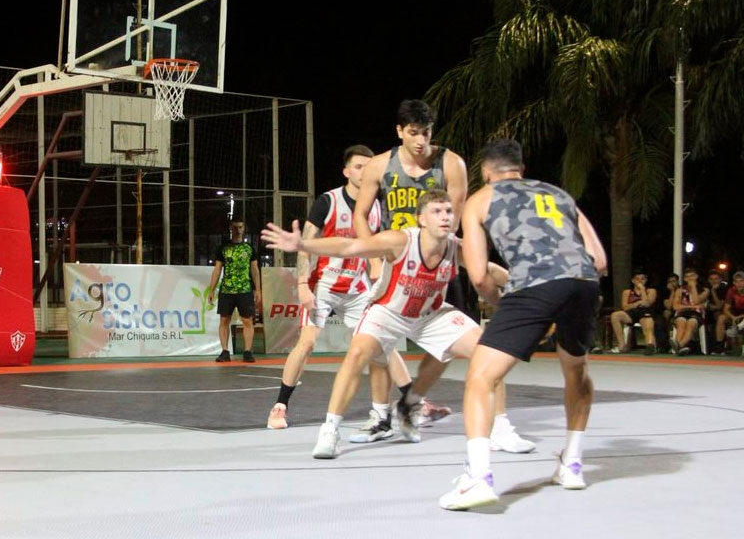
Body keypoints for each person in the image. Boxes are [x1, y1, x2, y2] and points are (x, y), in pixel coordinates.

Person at [263, 190, 529, 459]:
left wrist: (526, 291)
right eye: (437, 211)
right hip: (388, 312)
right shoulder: (400, 241)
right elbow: (349, 247)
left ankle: (501, 428)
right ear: (421, 219)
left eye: (449, 211)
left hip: (430, 313)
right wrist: (303, 246)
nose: (445, 217)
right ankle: (330, 429)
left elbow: (490, 271)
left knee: (490, 350)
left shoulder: (456, 247)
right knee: (356, 354)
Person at [439, 138, 607, 510]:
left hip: (533, 285)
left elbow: (480, 275)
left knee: (481, 377)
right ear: (521, 168)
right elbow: (599, 260)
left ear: (485, 171)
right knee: (576, 372)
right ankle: (572, 464)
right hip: (582, 283)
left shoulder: (481, 200)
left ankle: (478, 478)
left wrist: (504, 304)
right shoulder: (559, 195)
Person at [351, 99, 461, 438]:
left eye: (426, 133)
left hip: (436, 265)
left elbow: (456, 218)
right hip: (394, 264)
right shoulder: (381, 165)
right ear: (399, 131)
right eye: (413, 133)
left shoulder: (451, 163)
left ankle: (413, 400)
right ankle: (381, 416)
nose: (421, 140)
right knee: (377, 343)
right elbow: (360, 214)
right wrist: (372, 258)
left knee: (454, 342)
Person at [266, 145, 384, 430]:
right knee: (306, 344)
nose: (363, 171)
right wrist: (303, 285)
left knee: (378, 345)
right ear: (346, 171)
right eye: (358, 166)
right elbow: (305, 246)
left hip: (358, 287)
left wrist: (380, 283)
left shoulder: (378, 205)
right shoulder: (328, 201)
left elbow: (377, 250)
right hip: (323, 285)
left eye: (368, 166)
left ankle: (396, 406)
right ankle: (279, 408)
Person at [207, 218, 261, 363]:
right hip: (226, 290)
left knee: (247, 321)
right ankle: (225, 351)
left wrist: (258, 289)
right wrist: (211, 290)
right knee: (224, 320)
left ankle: (247, 352)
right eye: (235, 227)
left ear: (244, 229)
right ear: (231, 229)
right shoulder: (223, 248)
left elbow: (254, 269)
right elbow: (217, 269)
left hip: (245, 290)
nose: (238, 230)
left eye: (241, 227)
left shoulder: (249, 248)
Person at [608, 270, 657, 355]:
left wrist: (642, 289)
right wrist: (637, 303)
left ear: (646, 280)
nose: (640, 281)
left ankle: (650, 345)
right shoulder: (627, 292)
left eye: (642, 279)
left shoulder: (651, 291)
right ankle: (622, 345)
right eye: (637, 279)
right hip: (631, 314)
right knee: (615, 315)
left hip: (645, 312)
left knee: (647, 326)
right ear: (633, 281)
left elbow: (647, 303)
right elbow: (625, 307)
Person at [670, 268, 708, 356]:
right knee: (681, 323)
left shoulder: (704, 290)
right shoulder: (680, 290)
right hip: (682, 313)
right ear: (684, 279)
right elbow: (675, 306)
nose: (690, 279)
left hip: (696, 314)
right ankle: (679, 347)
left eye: (692, 276)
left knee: (690, 323)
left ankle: (679, 345)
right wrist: (692, 306)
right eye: (687, 277)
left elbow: (696, 300)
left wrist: (694, 287)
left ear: (697, 277)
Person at [717, 271, 744, 355]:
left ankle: (737, 329)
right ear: (733, 283)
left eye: (741, 281)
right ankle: (720, 348)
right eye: (736, 281)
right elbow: (726, 309)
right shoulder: (731, 291)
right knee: (721, 318)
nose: (739, 283)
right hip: (734, 315)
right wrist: (733, 317)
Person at [704, 269, 728, 353]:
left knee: (718, 315)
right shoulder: (705, 289)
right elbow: (705, 305)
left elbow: (719, 306)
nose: (714, 281)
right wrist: (710, 306)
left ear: (720, 279)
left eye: (716, 279)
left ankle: (719, 347)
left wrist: (713, 291)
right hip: (707, 314)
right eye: (712, 279)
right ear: (708, 280)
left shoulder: (724, 288)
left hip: (724, 314)